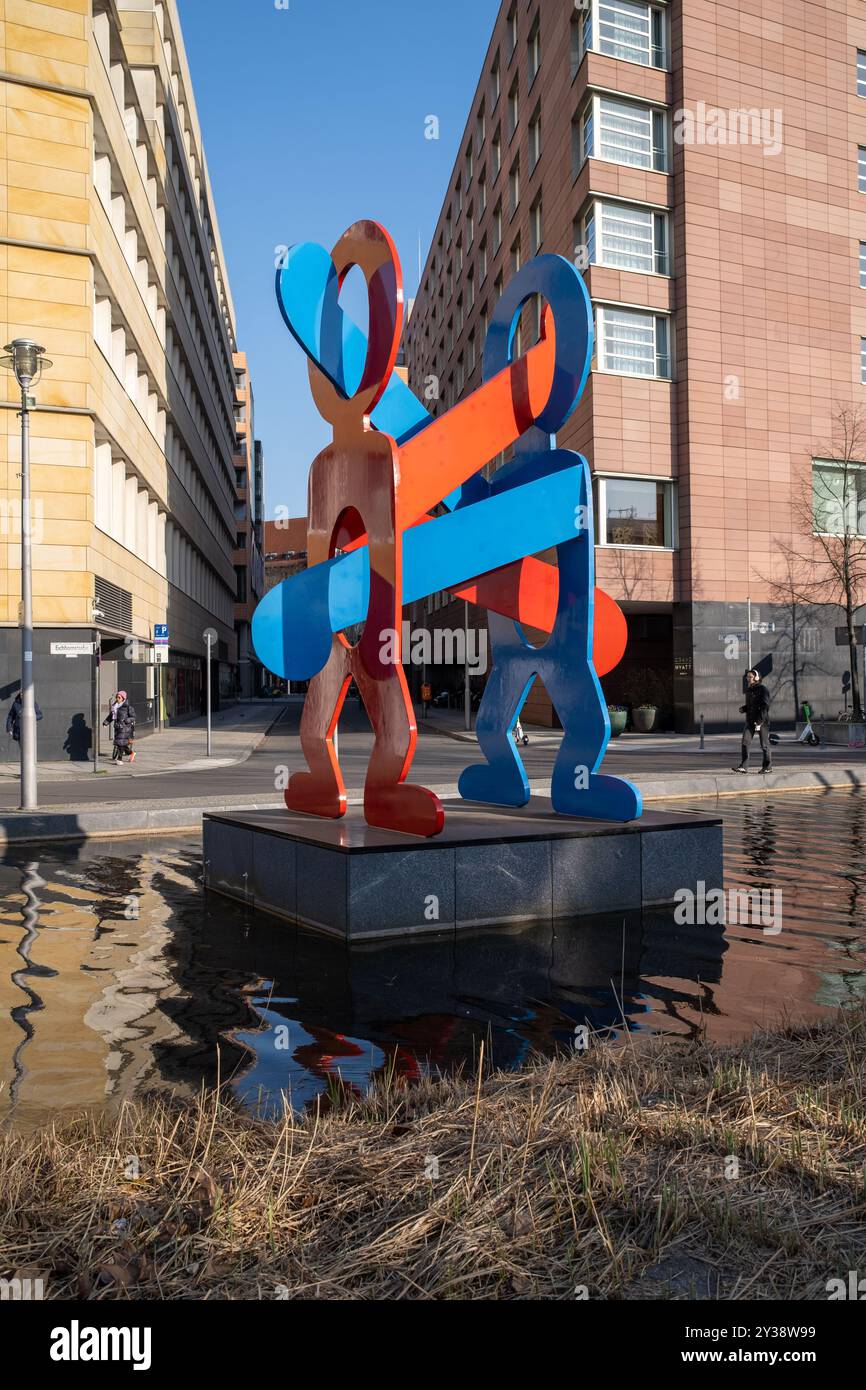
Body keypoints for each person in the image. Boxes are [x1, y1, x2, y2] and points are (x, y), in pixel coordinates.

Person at [733, 669, 771, 773]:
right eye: (747, 677)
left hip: (762, 722)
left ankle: (767, 767)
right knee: (745, 742)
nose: (748, 679)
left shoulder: (763, 689)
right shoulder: (749, 690)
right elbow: (751, 705)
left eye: (750, 677)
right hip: (750, 721)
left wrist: (760, 720)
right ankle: (744, 767)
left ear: (756, 678)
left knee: (764, 745)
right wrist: (744, 708)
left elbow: (765, 705)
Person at [104, 690, 136, 762]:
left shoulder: (128, 707)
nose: (117, 699)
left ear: (123, 698)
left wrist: (127, 720)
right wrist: (105, 723)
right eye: (117, 697)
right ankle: (131, 753)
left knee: (120, 743)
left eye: (119, 697)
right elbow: (111, 716)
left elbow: (133, 717)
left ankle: (119, 759)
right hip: (118, 727)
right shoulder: (115, 707)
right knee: (120, 743)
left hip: (125, 728)